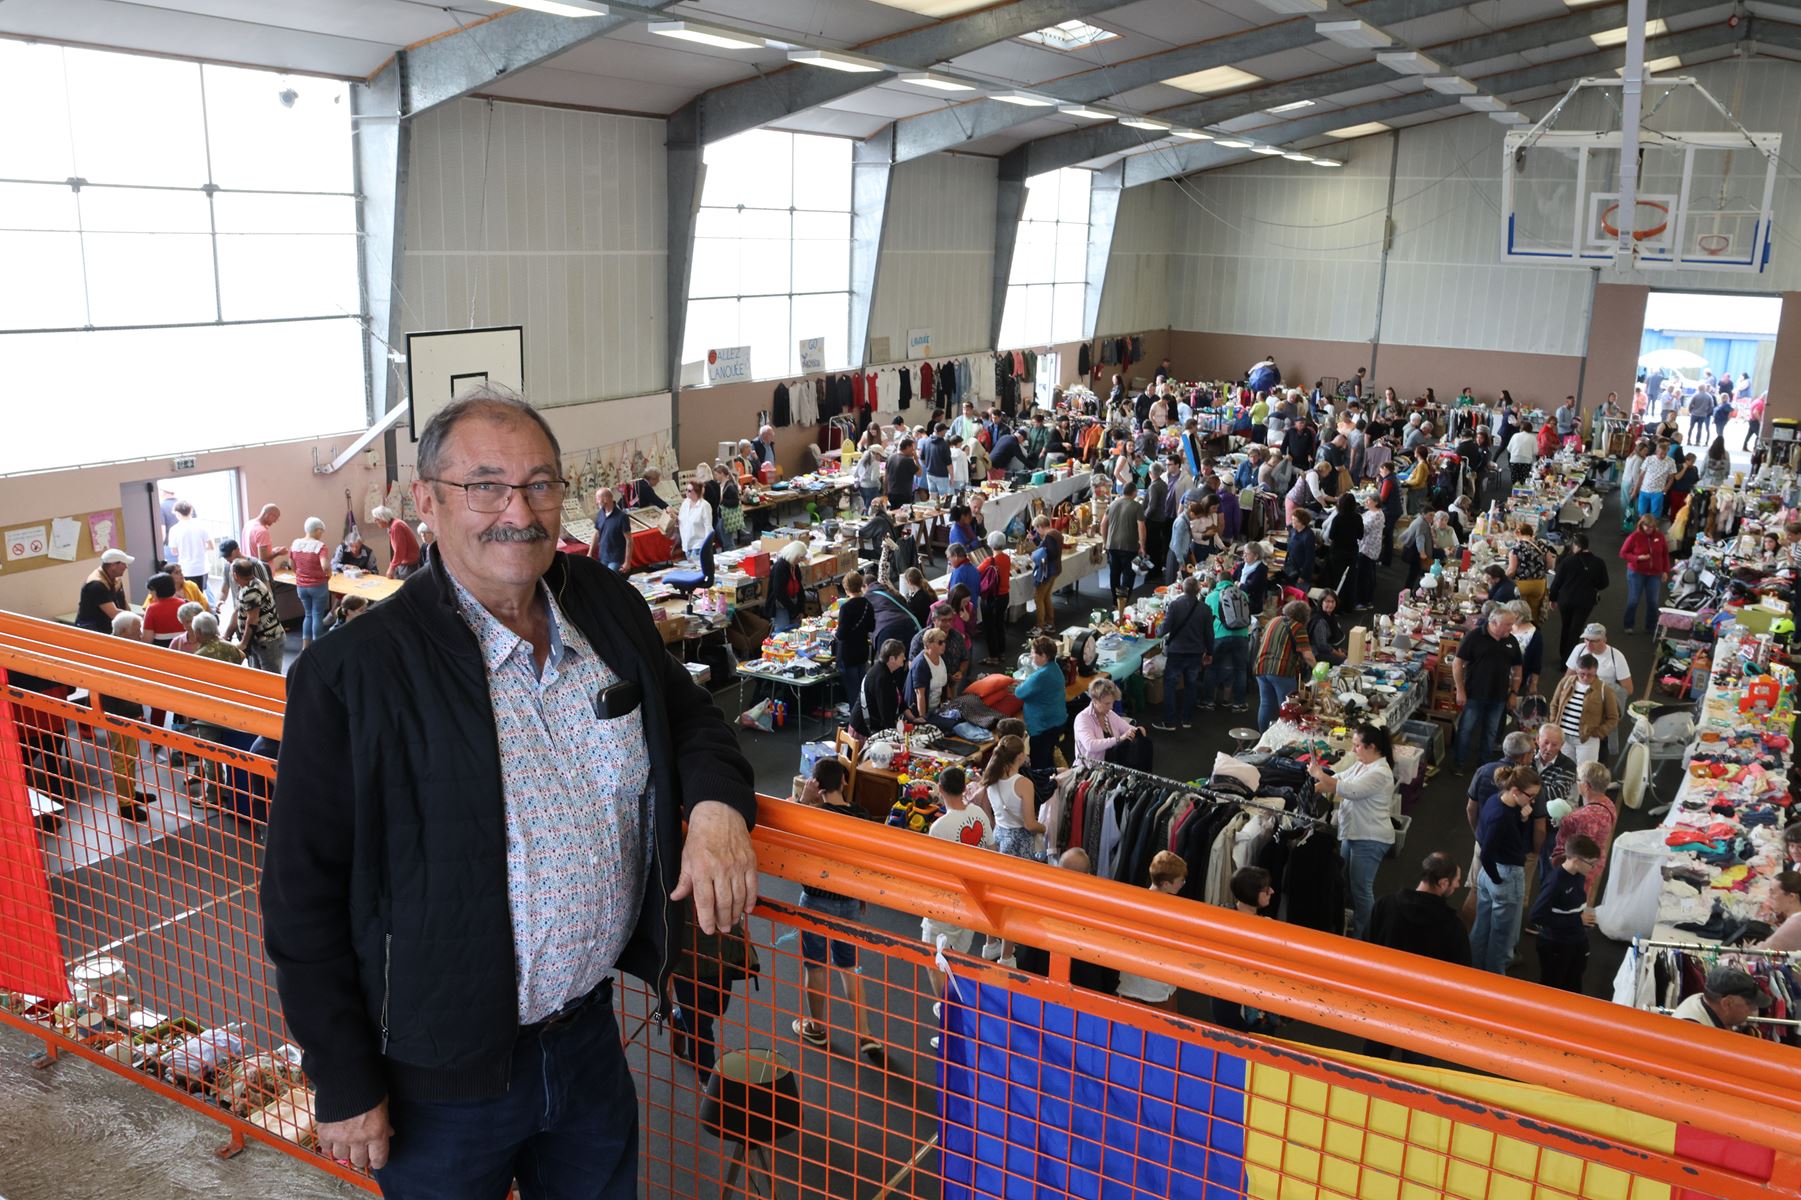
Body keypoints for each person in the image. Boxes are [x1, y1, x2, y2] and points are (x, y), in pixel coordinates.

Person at [263, 387, 758, 1189]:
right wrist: (344, 1080)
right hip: (436, 1083)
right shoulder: (351, 676)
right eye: (485, 487)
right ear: (427, 502)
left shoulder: (601, 603)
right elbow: (300, 898)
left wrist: (714, 810)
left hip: (588, 1039)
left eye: (539, 484)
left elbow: (690, 718)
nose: (518, 512)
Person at [789, 758, 883, 1062]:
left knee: (815, 966)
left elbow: (788, 826)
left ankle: (817, 1028)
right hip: (850, 899)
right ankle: (865, 1033)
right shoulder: (862, 815)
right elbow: (865, 859)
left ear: (816, 784)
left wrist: (805, 800)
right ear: (844, 781)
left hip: (816, 899)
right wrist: (862, 892)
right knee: (850, 965)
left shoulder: (814, 815)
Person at [1310, 723, 1398, 939]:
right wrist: (1316, 784)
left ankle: (1363, 937)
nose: (1353, 749)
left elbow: (1350, 790)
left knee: (1361, 890)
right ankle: (1353, 923)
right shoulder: (1363, 764)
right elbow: (1339, 778)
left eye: (1357, 745)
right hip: (1354, 833)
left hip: (1370, 838)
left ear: (1371, 747)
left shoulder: (1380, 773)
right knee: (1347, 881)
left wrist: (1319, 774)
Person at [1470, 764, 1542, 974]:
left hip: (1487, 875)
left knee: (1482, 926)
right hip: (1505, 875)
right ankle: (1494, 977)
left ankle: (1474, 969)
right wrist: (1498, 880)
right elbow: (1486, 853)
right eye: (1531, 796)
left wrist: (1524, 819)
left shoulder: (1497, 800)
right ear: (1516, 791)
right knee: (1502, 936)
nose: (1533, 801)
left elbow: (1509, 837)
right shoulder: (1502, 817)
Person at [1452, 607, 1522, 773]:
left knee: (1491, 732)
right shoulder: (1474, 637)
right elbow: (1457, 663)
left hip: (1499, 696)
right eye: (1508, 624)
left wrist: (1514, 692)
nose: (1511, 628)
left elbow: (1518, 667)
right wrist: (1460, 690)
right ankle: (1459, 763)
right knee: (1466, 730)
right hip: (1474, 694)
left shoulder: (1511, 641)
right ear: (1494, 622)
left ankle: (1484, 766)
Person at [1115, 852, 1189, 1010]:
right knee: (1164, 1023)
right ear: (1166, 884)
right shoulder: (1174, 912)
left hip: (1130, 980)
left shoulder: (1132, 902)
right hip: (1159, 983)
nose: (1183, 883)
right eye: (1180, 880)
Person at [1531, 833, 1599, 992]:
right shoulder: (1555, 882)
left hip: (1576, 939)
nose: (1593, 868)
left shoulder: (1579, 874)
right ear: (1576, 861)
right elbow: (1537, 916)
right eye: (1591, 864)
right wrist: (1577, 920)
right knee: (1553, 987)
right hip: (1556, 944)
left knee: (1574, 983)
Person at [1155, 576, 1215, 732]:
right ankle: (1187, 719)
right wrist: (1209, 652)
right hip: (1196, 653)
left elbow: (1164, 628)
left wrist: (1156, 630)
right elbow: (1209, 634)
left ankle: (1169, 722)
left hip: (1176, 651)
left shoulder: (1175, 605)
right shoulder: (1205, 609)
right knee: (1191, 686)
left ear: (1182, 589)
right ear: (1199, 590)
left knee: (1170, 686)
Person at [1552, 761, 1618, 899]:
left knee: (1570, 901)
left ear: (1586, 786)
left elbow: (1579, 849)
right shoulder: (1608, 804)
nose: (1576, 783)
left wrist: (1565, 821)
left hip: (1577, 869)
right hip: (1595, 862)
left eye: (1578, 780)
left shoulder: (1586, 816)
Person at [1253, 600, 1317, 731]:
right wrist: (1319, 670)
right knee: (1288, 707)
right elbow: (1308, 656)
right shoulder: (1298, 627)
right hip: (1282, 670)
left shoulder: (1273, 621)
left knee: (1266, 704)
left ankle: (1263, 736)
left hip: (1261, 666)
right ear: (1304, 616)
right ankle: (1286, 737)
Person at [1549, 655, 1620, 769]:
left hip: (1587, 740)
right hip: (1564, 737)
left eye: (1590, 675)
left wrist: (1599, 732)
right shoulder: (1566, 682)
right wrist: (1554, 723)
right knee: (1565, 771)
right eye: (1582, 674)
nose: (1585, 678)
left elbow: (1613, 717)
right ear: (1577, 670)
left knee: (1585, 773)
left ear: (1596, 672)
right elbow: (1554, 704)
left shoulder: (1605, 690)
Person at [1546, 533, 1609, 661]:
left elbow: (1557, 582)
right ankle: (1571, 658)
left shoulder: (1567, 561)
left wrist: (1552, 598)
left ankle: (1563, 655)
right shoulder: (1599, 562)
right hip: (1586, 601)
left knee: (1566, 626)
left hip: (1566, 599)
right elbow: (1604, 583)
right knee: (1576, 629)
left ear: (1575, 545)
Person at [1015, 636, 1068, 771]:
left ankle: (1042, 783)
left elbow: (1019, 693)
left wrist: (1023, 683)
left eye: (1033, 652)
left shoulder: (1040, 676)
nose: (1031, 655)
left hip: (1043, 727)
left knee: (1039, 765)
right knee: (1048, 758)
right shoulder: (1055, 667)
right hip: (1056, 722)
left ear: (1044, 656)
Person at [283, 516, 333, 651]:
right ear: (317, 530)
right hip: (318, 585)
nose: (321, 534)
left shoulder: (295, 544)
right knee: (317, 615)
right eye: (321, 531)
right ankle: (317, 647)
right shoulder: (320, 546)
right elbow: (325, 566)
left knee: (308, 614)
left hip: (301, 586)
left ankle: (305, 647)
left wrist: (300, 575)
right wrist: (329, 575)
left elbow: (291, 565)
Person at [229, 559, 286, 673]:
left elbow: (252, 619)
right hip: (260, 641)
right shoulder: (251, 584)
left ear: (235, 575)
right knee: (257, 675)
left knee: (270, 678)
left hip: (267, 641)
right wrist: (227, 635)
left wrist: (244, 643)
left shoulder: (250, 591)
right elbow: (239, 611)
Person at [1671, 966, 1770, 1030]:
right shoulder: (1693, 1030)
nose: (1752, 1012)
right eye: (1751, 1005)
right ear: (1727, 1003)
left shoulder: (1699, 999)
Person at [1102, 481, 1147, 620]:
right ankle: (1124, 603)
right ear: (1134, 492)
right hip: (1129, 546)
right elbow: (1141, 527)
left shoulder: (1113, 504)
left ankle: (1115, 602)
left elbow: (1103, 524)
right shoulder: (1137, 506)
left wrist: (1105, 542)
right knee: (1128, 575)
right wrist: (1142, 546)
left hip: (1112, 545)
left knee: (1114, 574)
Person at [1619, 514, 1671, 634]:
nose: (1648, 529)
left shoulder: (1660, 536)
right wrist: (1637, 558)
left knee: (1653, 602)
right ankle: (1628, 625)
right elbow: (1623, 553)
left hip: (1655, 574)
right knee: (1633, 600)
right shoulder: (1634, 537)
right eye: (1646, 526)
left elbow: (1665, 554)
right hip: (1636, 573)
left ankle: (1651, 627)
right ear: (1641, 525)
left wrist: (1665, 571)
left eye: (1651, 526)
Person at [1074, 678, 1144, 766]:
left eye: (1112, 703)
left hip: (1110, 765)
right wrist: (1118, 739)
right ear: (1094, 701)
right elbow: (1090, 745)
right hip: (1089, 769)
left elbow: (1128, 729)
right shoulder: (1082, 718)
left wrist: (1138, 730)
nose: (1111, 707)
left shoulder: (1109, 714)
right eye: (1107, 703)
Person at [849, 639, 908, 741]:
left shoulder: (886, 670)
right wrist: (896, 736)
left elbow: (896, 697)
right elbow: (885, 712)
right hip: (863, 731)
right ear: (892, 659)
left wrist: (911, 716)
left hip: (867, 726)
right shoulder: (882, 677)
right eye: (902, 655)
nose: (904, 658)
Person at [834, 571, 874, 713]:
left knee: (852, 690)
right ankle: (864, 716)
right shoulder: (867, 604)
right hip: (862, 651)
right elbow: (871, 627)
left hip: (847, 654)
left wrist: (834, 633)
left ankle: (855, 719)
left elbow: (841, 635)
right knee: (861, 689)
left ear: (846, 589)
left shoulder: (845, 608)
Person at [76, 548, 134, 633]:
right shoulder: (96, 585)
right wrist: (138, 620)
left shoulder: (116, 579)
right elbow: (113, 613)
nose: (126, 567)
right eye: (123, 564)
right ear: (113, 565)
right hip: (92, 629)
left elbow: (123, 604)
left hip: (108, 626)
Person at [1505, 521, 1553, 624]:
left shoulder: (1515, 549)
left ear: (1518, 533)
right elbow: (1550, 565)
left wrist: (1503, 578)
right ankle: (1533, 628)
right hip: (1539, 584)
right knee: (1534, 613)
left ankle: (1520, 629)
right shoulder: (1542, 545)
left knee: (1519, 612)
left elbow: (1512, 570)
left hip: (1521, 584)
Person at [165, 500, 213, 598]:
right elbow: (211, 546)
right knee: (200, 595)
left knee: (188, 596)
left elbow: (174, 552)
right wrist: (201, 548)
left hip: (186, 569)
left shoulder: (174, 529)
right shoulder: (201, 525)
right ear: (191, 511)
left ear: (177, 513)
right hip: (201, 567)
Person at [979, 532, 1011, 663]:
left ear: (990, 544)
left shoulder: (990, 561)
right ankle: (1002, 652)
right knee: (999, 624)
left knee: (989, 627)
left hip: (992, 598)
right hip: (1004, 596)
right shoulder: (1006, 558)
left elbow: (977, 572)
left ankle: (993, 656)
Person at [676, 478, 715, 585]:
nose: (687, 493)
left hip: (698, 545)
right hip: (687, 544)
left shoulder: (704, 506)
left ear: (697, 492)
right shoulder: (685, 503)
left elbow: (708, 527)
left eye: (689, 491)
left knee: (700, 574)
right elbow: (682, 520)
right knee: (692, 573)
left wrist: (707, 546)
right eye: (686, 490)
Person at [764, 540, 808, 633]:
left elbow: (800, 589)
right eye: (801, 557)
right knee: (782, 631)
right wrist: (794, 610)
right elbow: (780, 593)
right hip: (780, 604)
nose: (802, 560)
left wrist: (801, 610)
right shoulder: (780, 567)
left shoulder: (794, 566)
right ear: (794, 555)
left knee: (796, 629)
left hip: (792, 602)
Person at [1029, 515, 1062, 636]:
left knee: (1038, 597)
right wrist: (1037, 541)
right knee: (1046, 596)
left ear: (1040, 526)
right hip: (1055, 570)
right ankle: (1050, 624)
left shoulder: (1049, 536)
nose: (1037, 532)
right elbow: (1048, 548)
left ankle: (1040, 627)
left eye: (1036, 529)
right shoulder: (1056, 533)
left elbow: (1050, 553)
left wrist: (1036, 555)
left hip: (1048, 572)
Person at [907, 628, 951, 718]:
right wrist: (923, 719)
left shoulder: (942, 657)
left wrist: (949, 703)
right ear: (928, 644)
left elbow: (946, 684)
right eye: (940, 642)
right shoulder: (921, 664)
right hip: (919, 713)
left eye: (944, 642)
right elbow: (920, 695)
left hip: (936, 709)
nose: (944, 645)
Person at [1753, 871, 1801, 951]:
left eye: (1773, 893)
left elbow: (1763, 952)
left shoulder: (1793, 925)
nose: (1769, 897)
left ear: (1791, 897)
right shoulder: (1795, 919)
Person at [369, 506, 420, 580]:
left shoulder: (396, 527)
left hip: (408, 564)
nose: (375, 521)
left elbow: (400, 551)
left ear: (383, 518)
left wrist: (391, 567)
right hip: (403, 563)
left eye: (377, 519)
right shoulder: (394, 524)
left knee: (404, 585)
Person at [1355, 492, 1384, 610]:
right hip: (1366, 546)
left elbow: (1363, 528)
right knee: (1368, 574)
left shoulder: (1377, 515)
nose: (1366, 502)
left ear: (1376, 502)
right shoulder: (1370, 512)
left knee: (1364, 576)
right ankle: (1367, 598)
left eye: (1368, 500)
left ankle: (1364, 602)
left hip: (1368, 548)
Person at [590, 487, 630, 572]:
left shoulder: (622, 517)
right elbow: (596, 534)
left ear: (605, 499)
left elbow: (629, 540)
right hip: (603, 556)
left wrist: (627, 562)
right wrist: (590, 553)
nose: (596, 502)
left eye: (598, 499)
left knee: (610, 578)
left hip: (616, 558)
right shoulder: (600, 513)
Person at [141, 573, 185, 645]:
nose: (150, 593)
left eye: (151, 590)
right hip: (183, 646)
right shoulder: (185, 604)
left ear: (158, 590)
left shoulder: (152, 609)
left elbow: (147, 639)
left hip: (161, 647)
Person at [1636, 441, 1676, 518]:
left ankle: (1654, 525)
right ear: (1657, 451)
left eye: (1665, 454)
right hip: (1644, 490)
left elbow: (1671, 478)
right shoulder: (1649, 459)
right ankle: (1641, 525)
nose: (1663, 456)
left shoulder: (1671, 461)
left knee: (1655, 516)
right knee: (1641, 513)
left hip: (1658, 492)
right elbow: (1641, 475)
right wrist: (1636, 490)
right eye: (1661, 453)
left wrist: (1666, 489)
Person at [1308, 589, 1345, 668]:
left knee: (1348, 654)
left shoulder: (1329, 616)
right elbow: (1322, 646)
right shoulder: (1320, 621)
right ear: (1321, 602)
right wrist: (1338, 654)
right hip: (1316, 653)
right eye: (1327, 601)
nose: (1330, 604)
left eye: (1332, 601)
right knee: (1345, 661)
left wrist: (1337, 649)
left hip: (1325, 648)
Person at [1284, 509, 1318, 588]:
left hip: (1301, 570)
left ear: (1301, 522)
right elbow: (1289, 546)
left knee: (1299, 590)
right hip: (1291, 566)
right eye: (1292, 519)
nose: (1291, 521)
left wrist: (1303, 576)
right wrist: (1276, 543)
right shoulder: (1293, 530)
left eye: (1294, 520)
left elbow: (1310, 559)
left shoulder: (1308, 536)